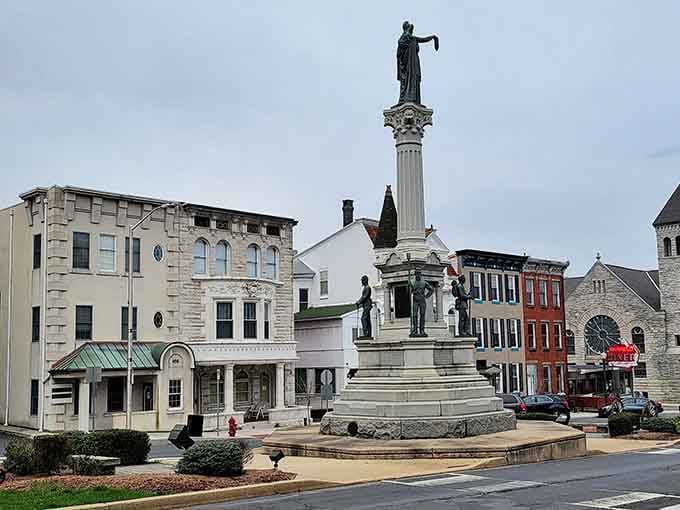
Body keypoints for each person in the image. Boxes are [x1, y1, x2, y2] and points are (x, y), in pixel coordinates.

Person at [396, 21, 439, 105]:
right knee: (409, 79)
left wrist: (433, 37)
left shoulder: (412, 38)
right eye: (408, 27)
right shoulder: (405, 38)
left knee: (414, 79)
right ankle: (408, 97)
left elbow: (423, 39)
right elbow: (399, 53)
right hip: (408, 65)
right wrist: (433, 37)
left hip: (413, 64)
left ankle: (413, 98)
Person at [409, 270, 434, 336]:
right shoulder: (412, 283)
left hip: (422, 301)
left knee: (422, 315)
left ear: (420, 275)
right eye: (416, 275)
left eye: (419, 274)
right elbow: (409, 292)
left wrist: (427, 296)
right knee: (414, 315)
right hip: (415, 301)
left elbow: (431, 289)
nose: (418, 276)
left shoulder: (424, 283)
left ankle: (422, 330)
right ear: (415, 275)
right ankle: (415, 330)